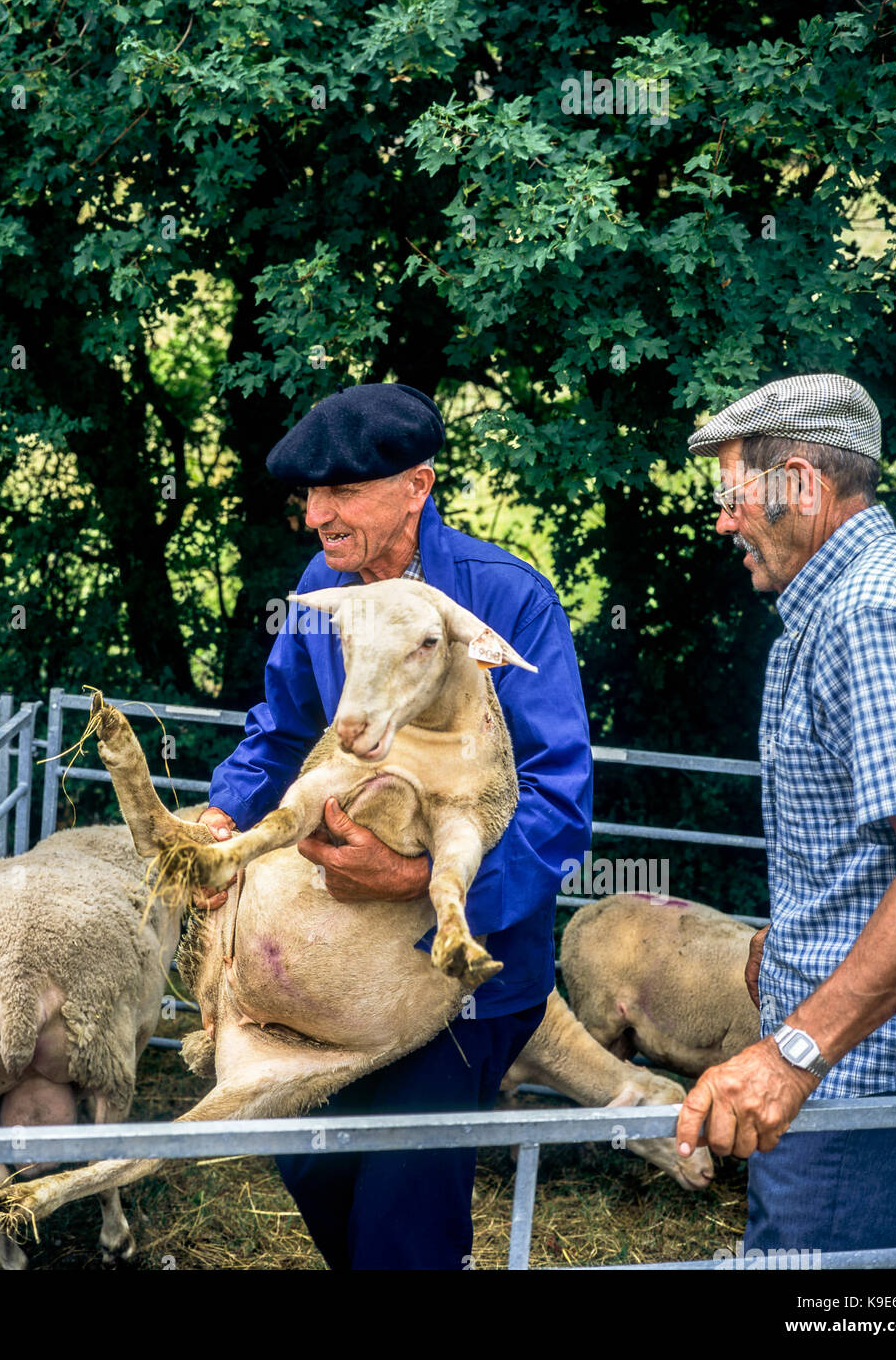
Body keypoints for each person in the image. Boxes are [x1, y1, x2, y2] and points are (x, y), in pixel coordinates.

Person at [197, 382, 593, 1269]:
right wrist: (226, 812)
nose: (314, 518)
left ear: (416, 485)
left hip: (456, 981)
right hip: (330, 964)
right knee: (315, 1174)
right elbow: (283, 724)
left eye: (339, 494)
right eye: (309, 496)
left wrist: (422, 884)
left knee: (402, 1227)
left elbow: (558, 801)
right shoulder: (321, 590)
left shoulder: (505, 600)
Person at [676, 372, 896, 1254]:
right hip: (876, 1076)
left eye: (734, 496)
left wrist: (793, 1051)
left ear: (800, 483)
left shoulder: (868, 613)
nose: (725, 521)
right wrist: (800, 931)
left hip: (868, 1093)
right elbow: (881, 847)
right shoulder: (891, 589)